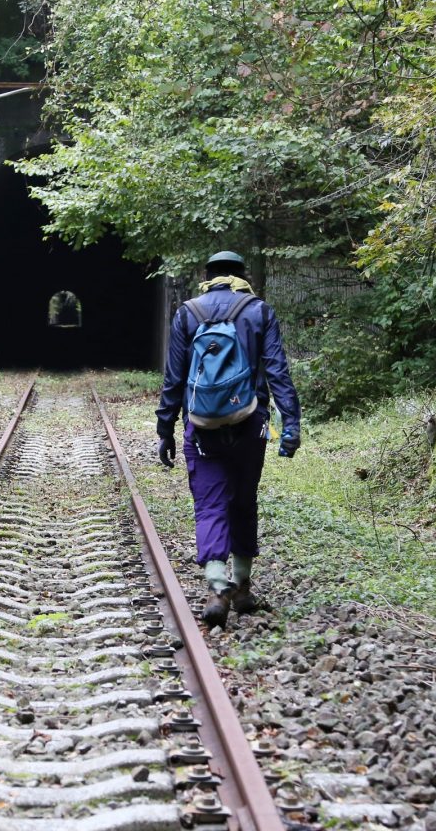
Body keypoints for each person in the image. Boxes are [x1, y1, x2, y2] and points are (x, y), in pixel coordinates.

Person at [156, 250, 302, 628]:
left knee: (209, 503)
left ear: (208, 276)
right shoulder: (258, 311)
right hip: (250, 422)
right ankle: (241, 585)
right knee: (243, 499)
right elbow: (277, 372)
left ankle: (217, 586)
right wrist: (291, 424)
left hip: (202, 426)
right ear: (242, 275)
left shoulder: (188, 312)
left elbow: (174, 378)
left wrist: (165, 429)